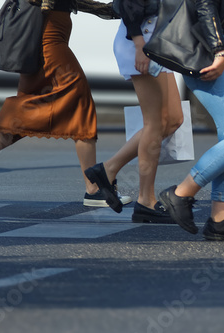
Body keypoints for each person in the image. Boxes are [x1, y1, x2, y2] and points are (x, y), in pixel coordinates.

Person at [0, 0, 134, 208]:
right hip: (48, 33)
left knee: (31, 106)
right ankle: (93, 189)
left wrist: (108, 9)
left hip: (52, 31)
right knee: (80, 101)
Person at [157, 0, 224, 241]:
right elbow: (204, 4)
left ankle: (220, 219)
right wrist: (219, 49)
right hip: (210, 51)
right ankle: (181, 193)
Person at [82, 0, 185, 223]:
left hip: (160, 40)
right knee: (155, 123)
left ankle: (108, 169)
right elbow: (129, 5)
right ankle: (145, 201)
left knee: (174, 119)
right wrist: (140, 46)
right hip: (141, 41)